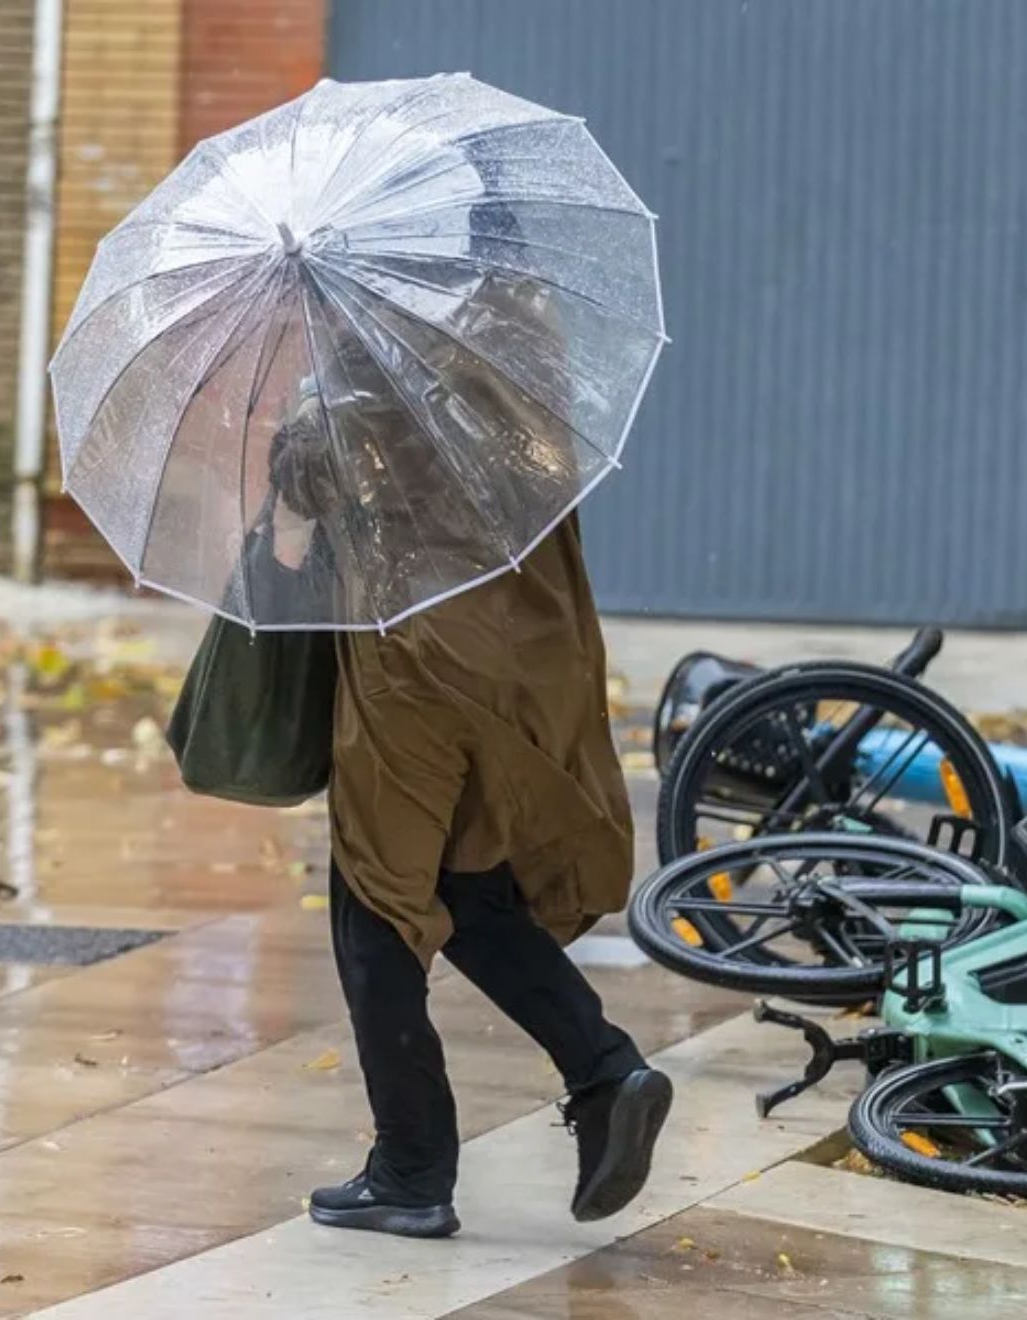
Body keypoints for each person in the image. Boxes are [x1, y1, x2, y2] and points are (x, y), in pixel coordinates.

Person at [264, 241, 670, 1241]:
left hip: (415, 652)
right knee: (470, 885)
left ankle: (411, 1169)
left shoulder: (381, 338)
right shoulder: (514, 325)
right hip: (515, 643)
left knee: (375, 897)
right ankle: (604, 1069)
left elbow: (317, 473)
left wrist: (301, 415)